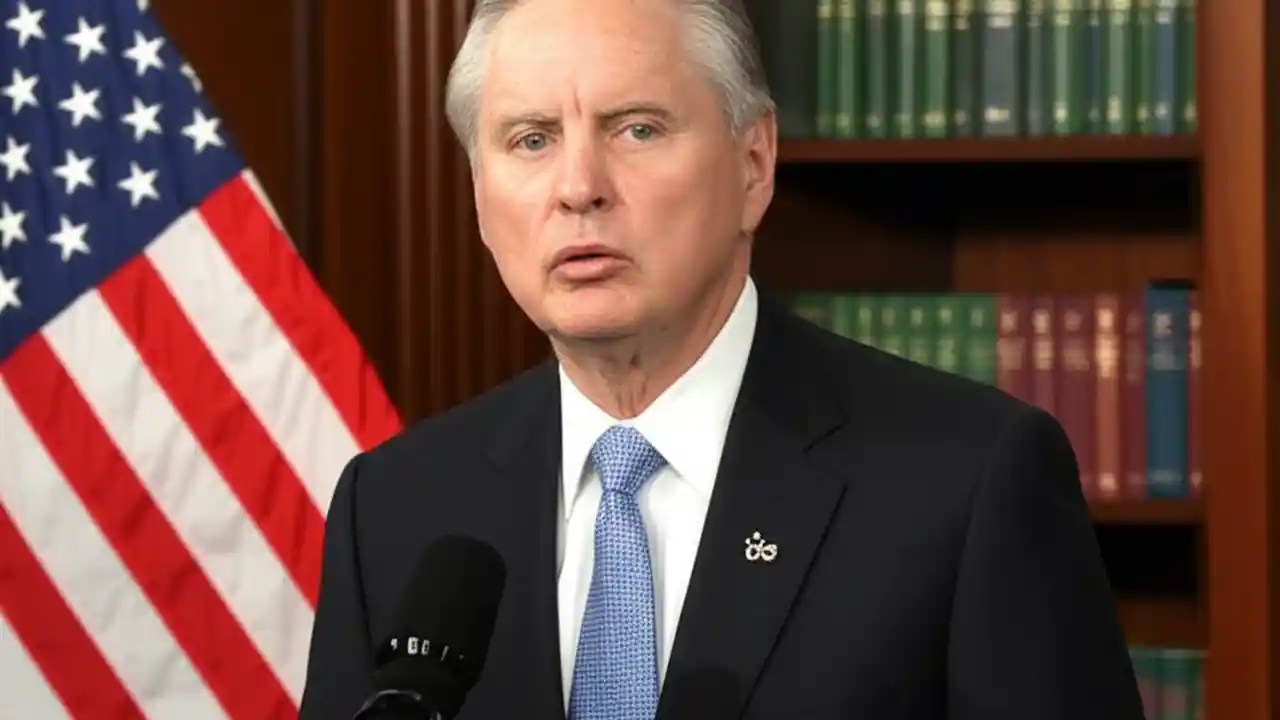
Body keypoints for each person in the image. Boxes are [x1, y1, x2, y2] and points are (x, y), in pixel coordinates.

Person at [299, 0, 1145, 717]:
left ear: (754, 163)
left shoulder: (968, 482)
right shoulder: (396, 506)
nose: (579, 185)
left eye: (636, 128)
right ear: (480, 196)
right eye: (530, 140)